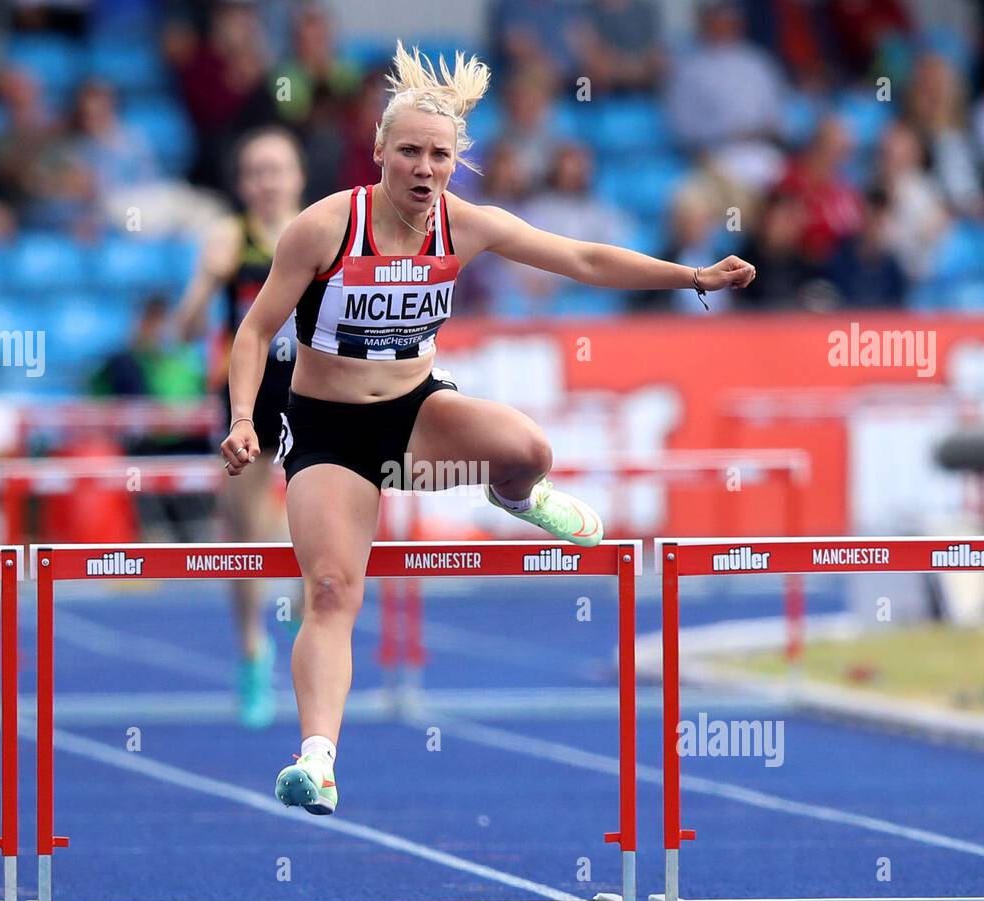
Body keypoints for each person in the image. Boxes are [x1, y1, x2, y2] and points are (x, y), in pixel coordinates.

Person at [220, 43, 755, 815]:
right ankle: (318, 757)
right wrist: (244, 418)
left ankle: (518, 495)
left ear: (455, 162)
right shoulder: (324, 227)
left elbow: (583, 257)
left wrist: (692, 277)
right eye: (408, 151)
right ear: (379, 152)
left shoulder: (464, 225)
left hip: (414, 416)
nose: (422, 168)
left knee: (529, 448)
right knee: (332, 588)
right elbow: (251, 331)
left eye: (438, 154)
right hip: (329, 430)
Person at [175, 125, 306, 728]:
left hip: (311, 395)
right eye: (256, 170)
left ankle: (310, 617)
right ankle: (253, 651)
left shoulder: (321, 231)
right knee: (245, 535)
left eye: (277, 169)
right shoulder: (229, 238)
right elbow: (181, 332)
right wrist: (207, 280)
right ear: (241, 183)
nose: (267, 181)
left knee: (323, 527)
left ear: (297, 177)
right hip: (245, 399)